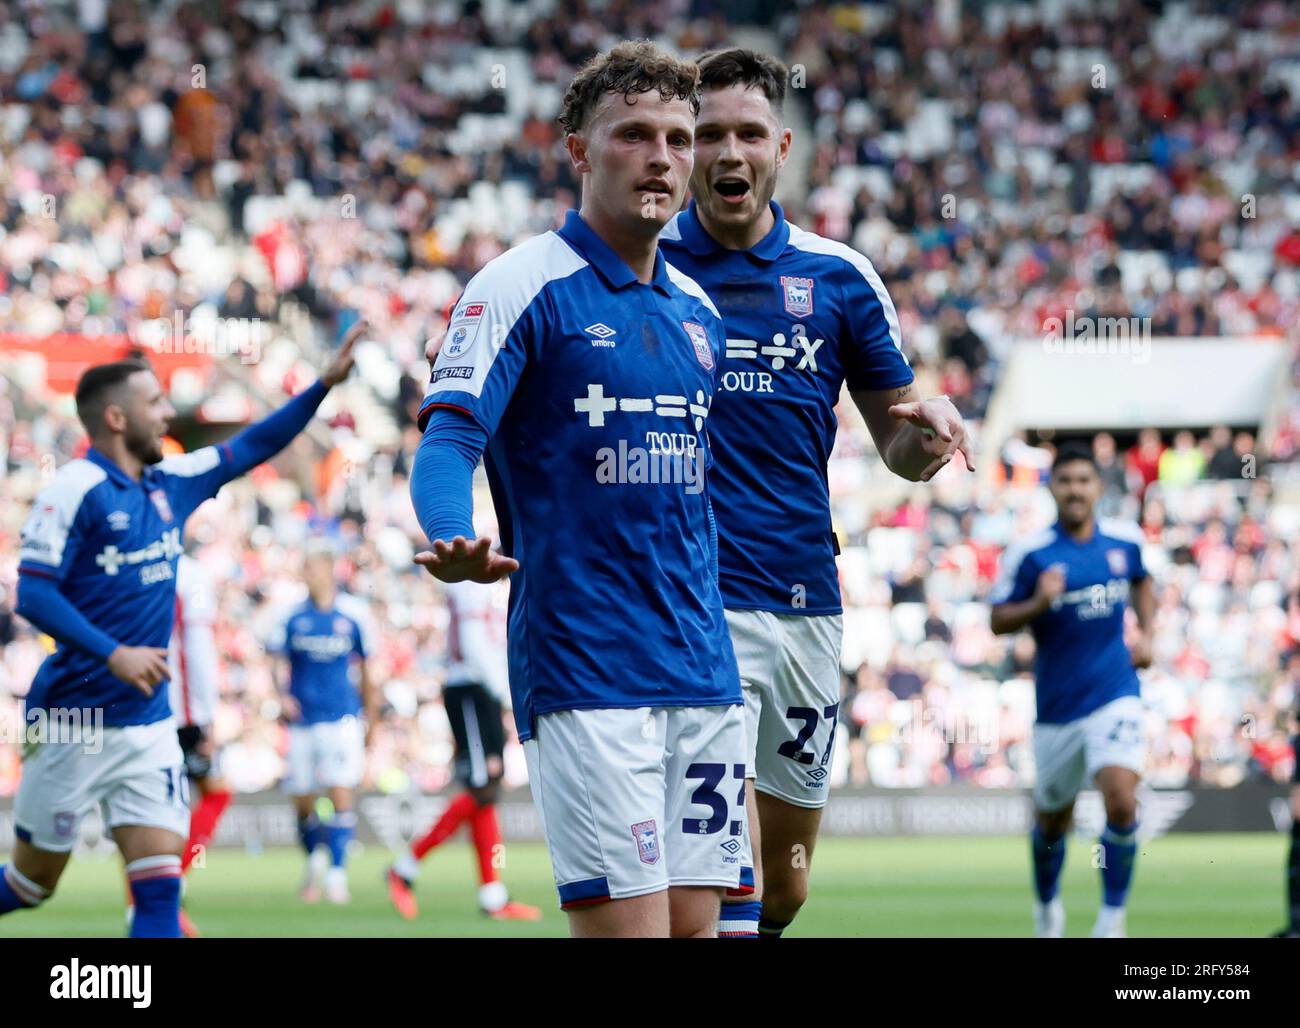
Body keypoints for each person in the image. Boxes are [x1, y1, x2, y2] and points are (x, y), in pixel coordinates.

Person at [412, 41, 749, 938]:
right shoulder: (521, 285)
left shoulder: (701, 314)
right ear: (578, 150)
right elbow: (449, 440)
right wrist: (453, 533)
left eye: (680, 140)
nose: (663, 158)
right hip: (588, 667)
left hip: (704, 670)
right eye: (634, 134)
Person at [658, 47, 972, 939]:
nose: (727, 151)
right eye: (706, 133)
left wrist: (928, 438)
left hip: (804, 606)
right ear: (684, 148)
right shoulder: (643, 270)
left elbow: (899, 451)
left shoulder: (838, 278)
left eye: (746, 132)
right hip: (692, 602)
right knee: (728, 869)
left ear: (781, 145)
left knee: (786, 885)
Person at [3, 322, 364, 937]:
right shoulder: (75, 489)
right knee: (31, 885)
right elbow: (33, 593)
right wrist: (112, 652)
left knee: (159, 894)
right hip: (74, 721)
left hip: (147, 724)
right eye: (155, 404)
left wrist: (322, 386)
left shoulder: (172, 482)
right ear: (116, 419)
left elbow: (253, 446)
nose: (167, 413)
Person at [990, 442, 1155, 938]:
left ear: (1098, 487)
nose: (1075, 489)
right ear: (1052, 488)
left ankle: (1111, 919)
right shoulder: (1031, 552)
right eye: (1065, 481)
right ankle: (1047, 909)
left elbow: (1145, 582)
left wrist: (1147, 632)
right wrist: (1040, 601)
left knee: (1123, 802)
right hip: (1057, 709)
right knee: (1051, 823)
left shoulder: (1125, 541)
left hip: (1116, 693)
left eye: (1084, 480)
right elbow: (998, 619)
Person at [385, 578, 541, 922]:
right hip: (472, 688)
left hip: (475, 687)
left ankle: (492, 895)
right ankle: (405, 867)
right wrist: (500, 691)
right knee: (482, 787)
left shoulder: (477, 581)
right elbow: (472, 641)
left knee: (485, 792)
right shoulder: (472, 581)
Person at [271, 541, 379, 905]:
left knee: (340, 789)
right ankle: (315, 857)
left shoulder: (353, 615)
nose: (308, 574)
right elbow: (276, 661)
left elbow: (367, 671)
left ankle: (336, 873)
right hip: (302, 721)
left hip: (341, 718)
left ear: (330, 570)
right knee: (303, 801)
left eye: (313, 567)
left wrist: (371, 723)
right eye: (306, 568)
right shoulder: (292, 617)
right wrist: (281, 695)